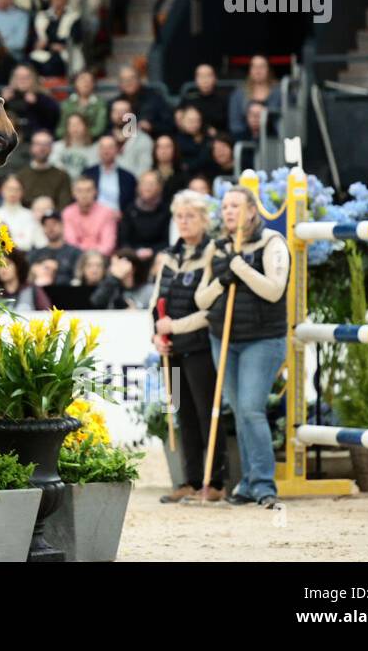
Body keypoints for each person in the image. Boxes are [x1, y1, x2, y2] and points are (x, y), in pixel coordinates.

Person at [194, 187, 291, 508]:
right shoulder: (217, 248)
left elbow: (274, 291)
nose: (228, 211)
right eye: (224, 206)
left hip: (263, 339)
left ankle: (264, 485)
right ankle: (248, 483)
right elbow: (201, 299)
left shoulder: (272, 243)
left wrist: (241, 269)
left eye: (235, 205)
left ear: (252, 210)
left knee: (250, 409)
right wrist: (222, 280)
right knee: (240, 412)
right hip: (223, 338)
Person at [150, 189, 226, 503]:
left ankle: (215, 482)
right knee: (184, 415)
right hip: (173, 352)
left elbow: (211, 310)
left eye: (190, 216)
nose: (183, 222)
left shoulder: (213, 253)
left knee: (207, 414)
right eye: (179, 216)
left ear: (204, 219)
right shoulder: (169, 255)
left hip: (200, 349)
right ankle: (191, 480)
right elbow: (157, 301)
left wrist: (175, 327)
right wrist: (157, 335)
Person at [118, 170, 170, 281]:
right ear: (138, 187)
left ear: (160, 187)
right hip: (133, 254)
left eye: (151, 184)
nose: (147, 187)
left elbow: (168, 241)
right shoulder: (129, 210)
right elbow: (123, 240)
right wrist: (135, 252)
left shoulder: (166, 211)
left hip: (157, 254)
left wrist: (152, 251)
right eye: (144, 183)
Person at [13, 129, 73, 211]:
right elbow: (16, 204)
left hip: (53, 219)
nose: (42, 148)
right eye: (38, 144)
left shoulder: (62, 176)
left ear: (52, 148)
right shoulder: (21, 175)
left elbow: (65, 206)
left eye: (46, 144)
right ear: (31, 147)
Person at [61, 176, 117, 256]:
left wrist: (92, 256)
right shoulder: (67, 213)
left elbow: (108, 244)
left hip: (101, 258)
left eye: (88, 190)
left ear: (95, 192)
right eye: (79, 191)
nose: (84, 195)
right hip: (76, 258)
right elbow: (71, 243)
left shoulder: (107, 212)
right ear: (73, 193)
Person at [228, 54, 280, 140]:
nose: (258, 71)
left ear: (268, 69)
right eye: (254, 67)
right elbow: (235, 125)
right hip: (245, 139)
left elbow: (284, 121)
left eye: (262, 67)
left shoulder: (279, 92)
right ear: (250, 70)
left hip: (274, 139)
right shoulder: (238, 94)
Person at [178, 63, 230, 136]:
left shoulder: (224, 100)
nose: (205, 80)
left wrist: (218, 134)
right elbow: (179, 118)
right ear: (196, 79)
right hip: (191, 139)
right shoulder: (188, 99)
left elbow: (229, 127)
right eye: (201, 76)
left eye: (208, 76)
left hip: (217, 139)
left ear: (215, 78)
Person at [0, 175, 46, 251]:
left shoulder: (31, 215)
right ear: (2, 190)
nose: (13, 193)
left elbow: (41, 244)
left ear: (22, 192)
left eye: (17, 189)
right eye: (9, 189)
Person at [29, 209, 81, 277]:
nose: (50, 228)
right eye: (46, 225)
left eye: (54, 224)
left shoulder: (75, 253)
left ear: (62, 226)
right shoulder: (35, 254)